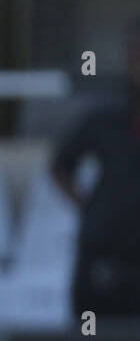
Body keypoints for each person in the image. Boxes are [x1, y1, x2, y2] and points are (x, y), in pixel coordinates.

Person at [51, 17, 140, 319]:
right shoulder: (106, 116)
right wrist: (89, 206)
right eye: (135, 55)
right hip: (106, 259)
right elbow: (61, 164)